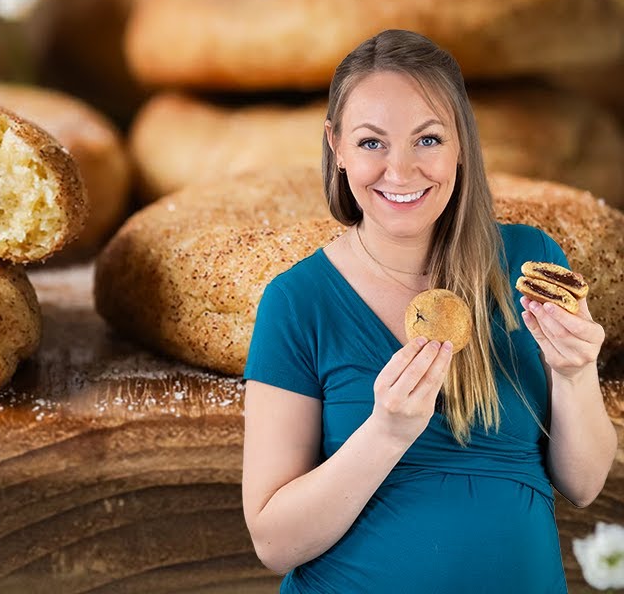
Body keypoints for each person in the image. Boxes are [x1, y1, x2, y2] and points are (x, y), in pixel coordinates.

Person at [240, 29, 616, 592]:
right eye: (371, 143)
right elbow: (273, 542)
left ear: (461, 143)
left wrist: (575, 371)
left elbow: (584, 484)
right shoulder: (297, 302)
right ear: (336, 147)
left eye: (427, 139)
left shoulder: (529, 265)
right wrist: (387, 433)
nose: (401, 171)